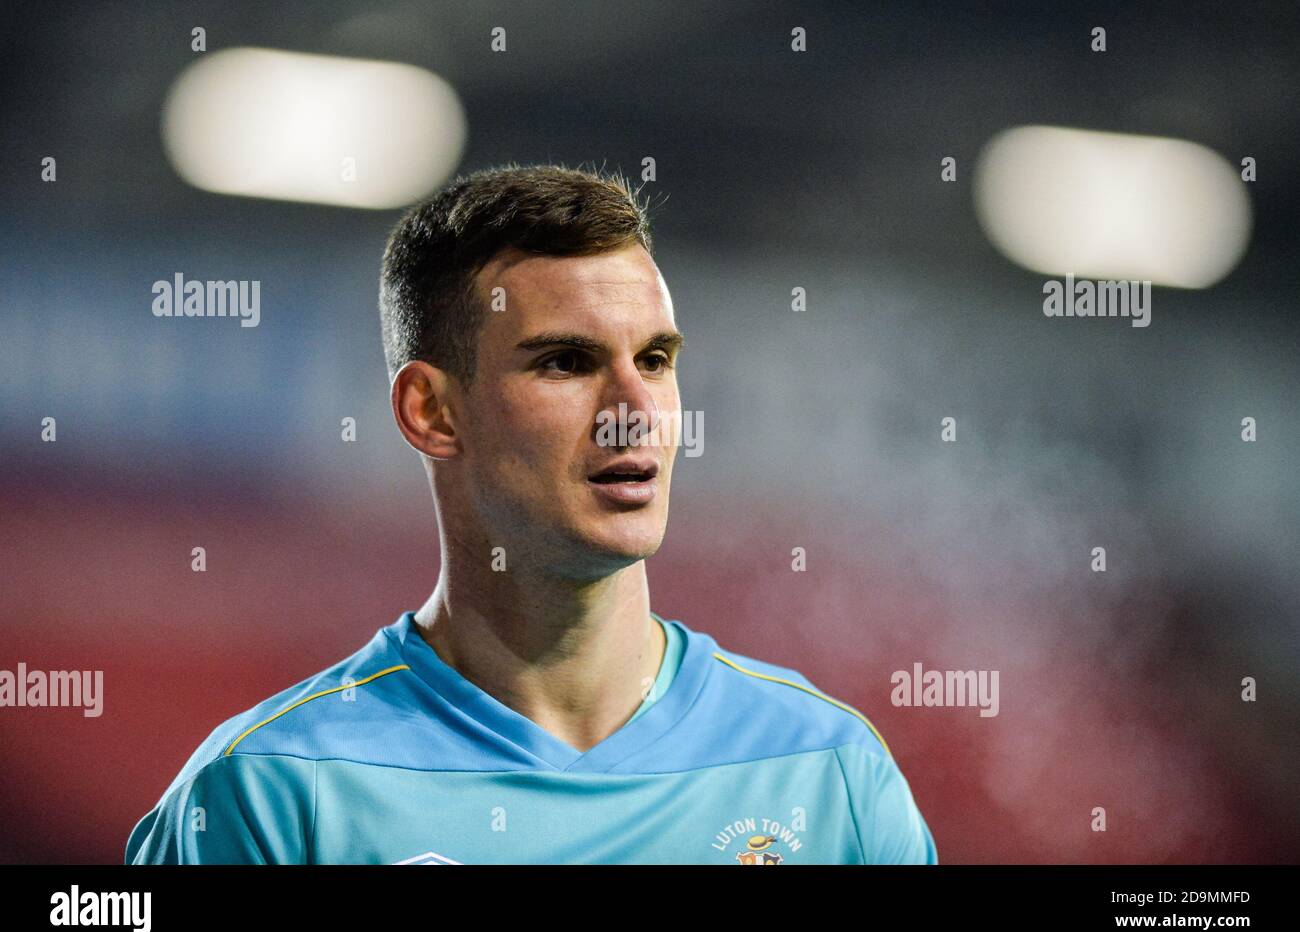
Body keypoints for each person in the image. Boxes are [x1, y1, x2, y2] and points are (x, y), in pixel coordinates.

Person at [125, 163, 937, 864]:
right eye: (566, 362)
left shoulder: (828, 774)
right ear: (431, 411)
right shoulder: (273, 794)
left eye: (655, 360)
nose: (634, 410)